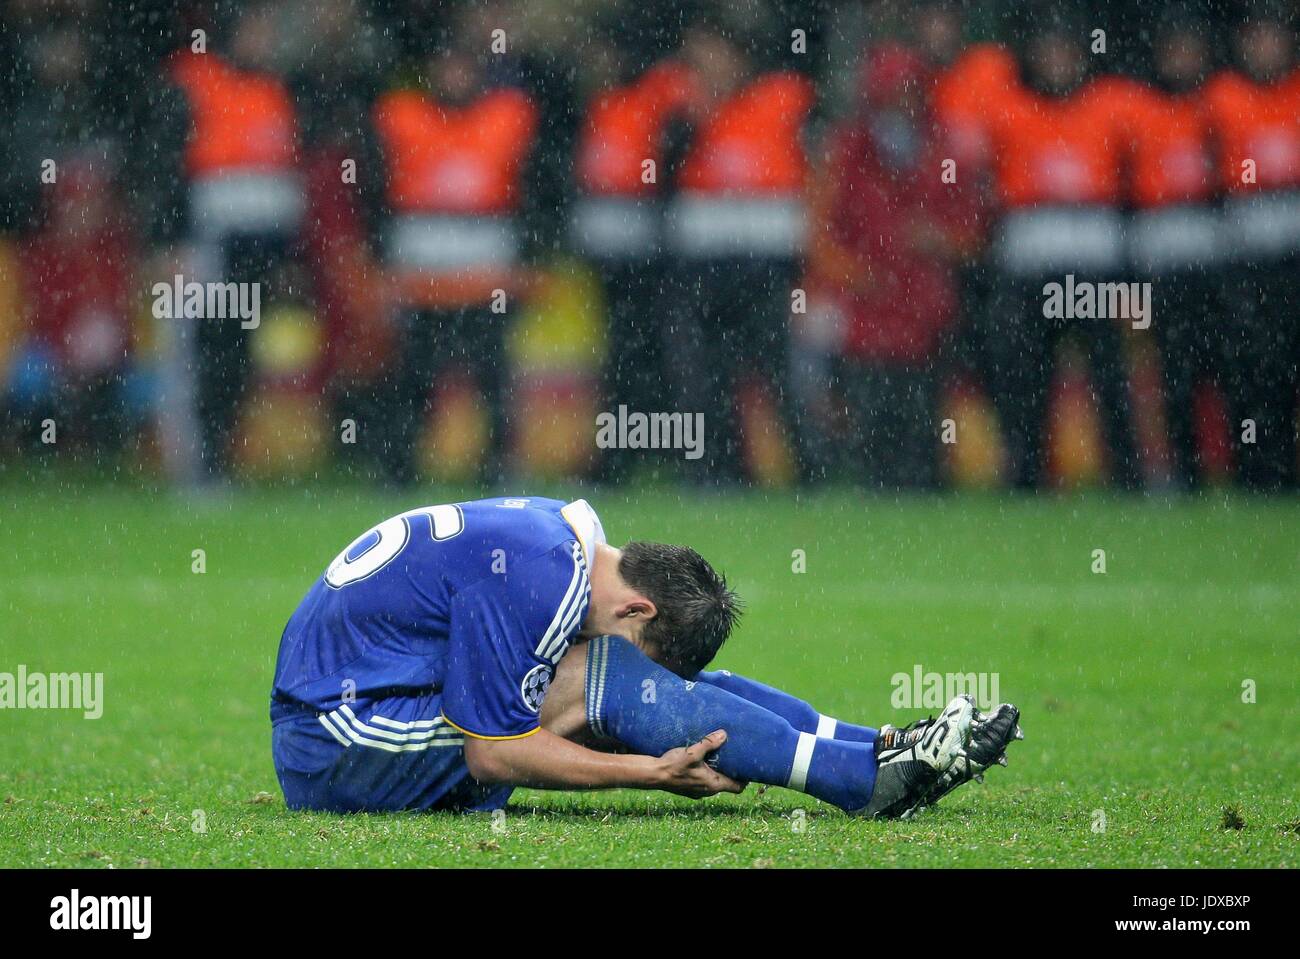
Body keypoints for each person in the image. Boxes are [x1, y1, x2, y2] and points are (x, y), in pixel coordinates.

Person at [271, 496, 1022, 819]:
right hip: (333, 738)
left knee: (626, 688)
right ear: (640, 606)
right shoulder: (542, 576)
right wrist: (647, 771)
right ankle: (863, 783)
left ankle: (879, 747)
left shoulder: (567, 536)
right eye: (645, 641)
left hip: (370, 699)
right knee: (613, 685)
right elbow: (492, 755)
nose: (646, 670)